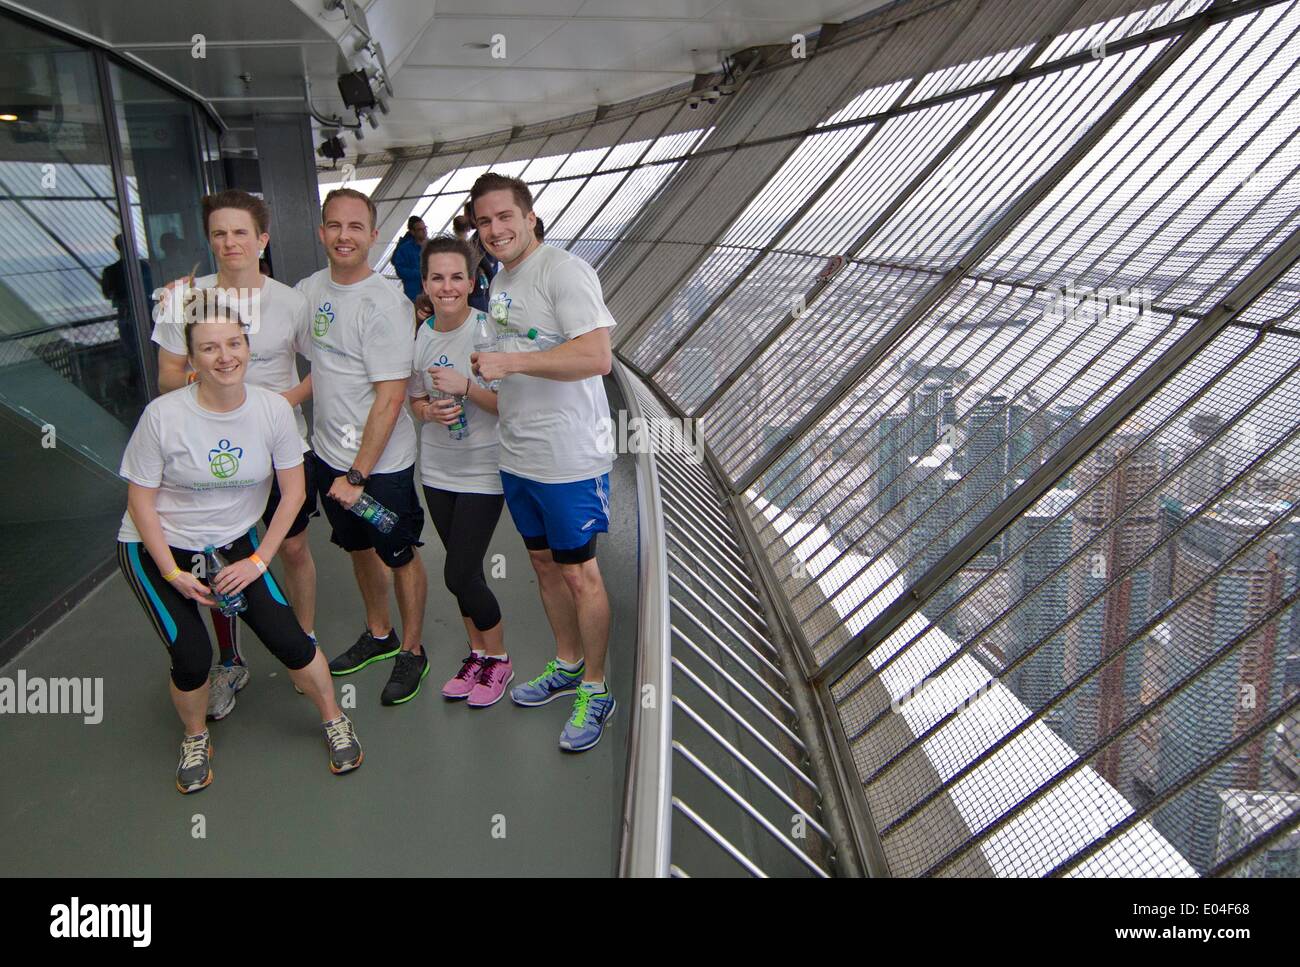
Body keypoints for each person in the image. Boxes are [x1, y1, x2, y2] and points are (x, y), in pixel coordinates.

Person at [116, 289, 362, 794]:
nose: (225, 356)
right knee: (189, 652)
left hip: (231, 544)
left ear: (247, 348)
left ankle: (334, 718)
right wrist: (172, 573)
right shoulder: (163, 417)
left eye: (234, 343)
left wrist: (257, 559)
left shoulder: (272, 410)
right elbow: (140, 504)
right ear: (191, 358)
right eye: (210, 348)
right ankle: (194, 735)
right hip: (155, 548)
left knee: (292, 639)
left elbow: (293, 492)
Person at [152, 190, 320, 722]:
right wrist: (221, 408)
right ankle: (228, 661)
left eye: (241, 232)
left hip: (280, 451)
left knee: (290, 550)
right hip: (209, 457)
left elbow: (322, 370)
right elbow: (168, 380)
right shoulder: (183, 300)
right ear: (210, 240)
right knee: (215, 555)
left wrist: (269, 409)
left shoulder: (291, 302)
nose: (230, 243)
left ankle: (301, 642)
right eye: (219, 233)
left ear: (262, 239)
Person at [468, 173, 617, 752]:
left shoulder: (564, 270)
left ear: (530, 217)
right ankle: (568, 664)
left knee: (581, 572)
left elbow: (597, 355)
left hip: (569, 457)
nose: (496, 229)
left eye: (505, 216)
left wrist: (514, 364)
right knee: (544, 566)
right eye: (484, 221)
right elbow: (514, 357)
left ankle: (598, 690)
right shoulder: (502, 279)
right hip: (520, 451)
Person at [297, 188, 430, 706]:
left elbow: (391, 398)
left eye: (355, 227)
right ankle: (380, 634)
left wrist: (357, 477)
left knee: (398, 554)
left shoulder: (385, 306)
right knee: (357, 548)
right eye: (335, 225)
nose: (344, 235)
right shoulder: (311, 289)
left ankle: (412, 649)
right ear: (322, 232)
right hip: (331, 458)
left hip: (379, 469)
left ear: (374, 235)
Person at [407, 235, 512, 706]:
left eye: (455, 277)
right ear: (425, 283)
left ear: (472, 282)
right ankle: (478, 653)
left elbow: (511, 406)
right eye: (436, 278)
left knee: (459, 572)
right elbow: (414, 398)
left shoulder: (488, 332)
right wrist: (427, 412)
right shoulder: (423, 333)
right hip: (437, 470)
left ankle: (500, 660)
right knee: (463, 573)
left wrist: (466, 387)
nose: (446, 287)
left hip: (483, 471)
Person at [454, 208, 498, 313]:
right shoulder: (472, 246)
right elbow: (487, 266)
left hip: (460, 288)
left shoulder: (450, 248)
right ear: (468, 228)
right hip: (476, 287)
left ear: (454, 228)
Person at [391, 216, 427, 303]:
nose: (424, 231)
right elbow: (400, 270)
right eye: (420, 229)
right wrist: (419, 274)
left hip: (432, 292)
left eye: (425, 228)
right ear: (412, 232)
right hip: (414, 294)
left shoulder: (433, 246)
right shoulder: (405, 249)